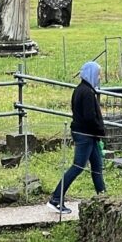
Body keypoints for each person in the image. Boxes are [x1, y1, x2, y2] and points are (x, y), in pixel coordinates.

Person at [48, 62, 107, 213]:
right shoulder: (87, 92)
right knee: (78, 167)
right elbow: (89, 117)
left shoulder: (82, 89)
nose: (99, 77)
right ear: (91, 74)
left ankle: (104, 198)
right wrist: (100, 129)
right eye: (98, 74)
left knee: (97, 167)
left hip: (89, 135)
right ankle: (56, 198)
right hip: (85, 135)